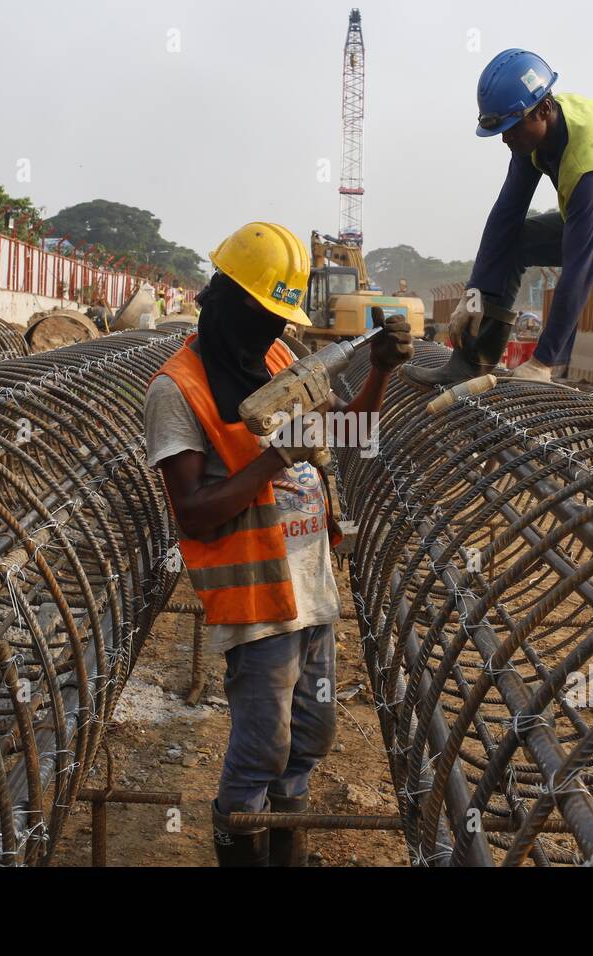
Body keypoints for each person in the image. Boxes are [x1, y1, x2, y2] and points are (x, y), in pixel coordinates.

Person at [143, 221, 412, 866]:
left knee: (311, 736)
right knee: (263, 745)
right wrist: (276, 458)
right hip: (256, 596)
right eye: (266, 314)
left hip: (309, 583)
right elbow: (193, 513)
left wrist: (377, 372)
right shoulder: (175, 390)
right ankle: (244, 845)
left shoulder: (276, 360)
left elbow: (353, 433)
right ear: (231, 299)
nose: (275, 330)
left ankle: (287, 851)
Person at [405, 49, 593, 418]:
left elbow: (580, 267)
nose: (504, 139)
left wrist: (544, 362)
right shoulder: (533, 134)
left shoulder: (589, 160)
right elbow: (505, 217)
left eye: (510, 129)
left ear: (543, 110)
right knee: (515, 240)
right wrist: (475, 291)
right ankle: (471, 363)